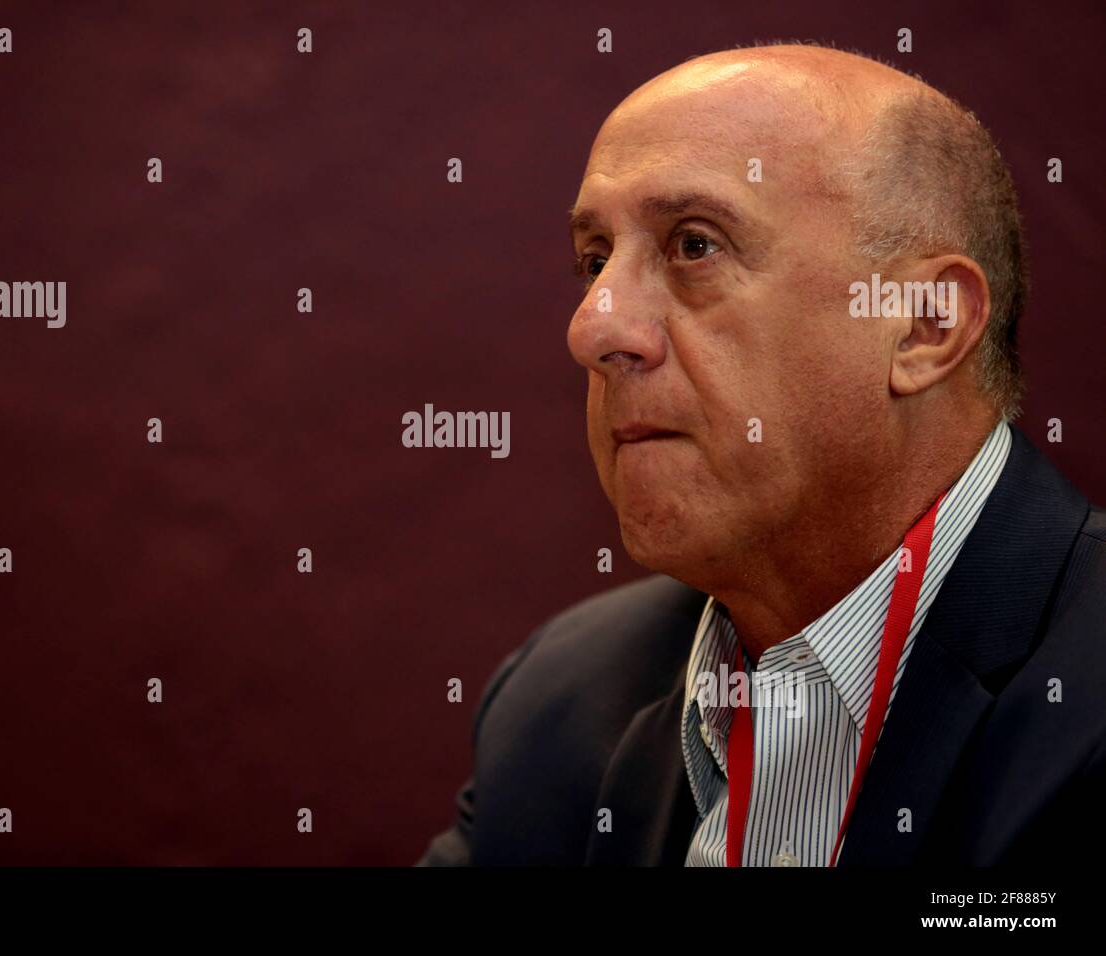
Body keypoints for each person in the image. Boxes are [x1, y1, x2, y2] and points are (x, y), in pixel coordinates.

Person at [416, 43, 1106, 866]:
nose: (593, 329)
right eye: (595, 260)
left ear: (923, 324)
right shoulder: (558, 703)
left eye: (693, 245)